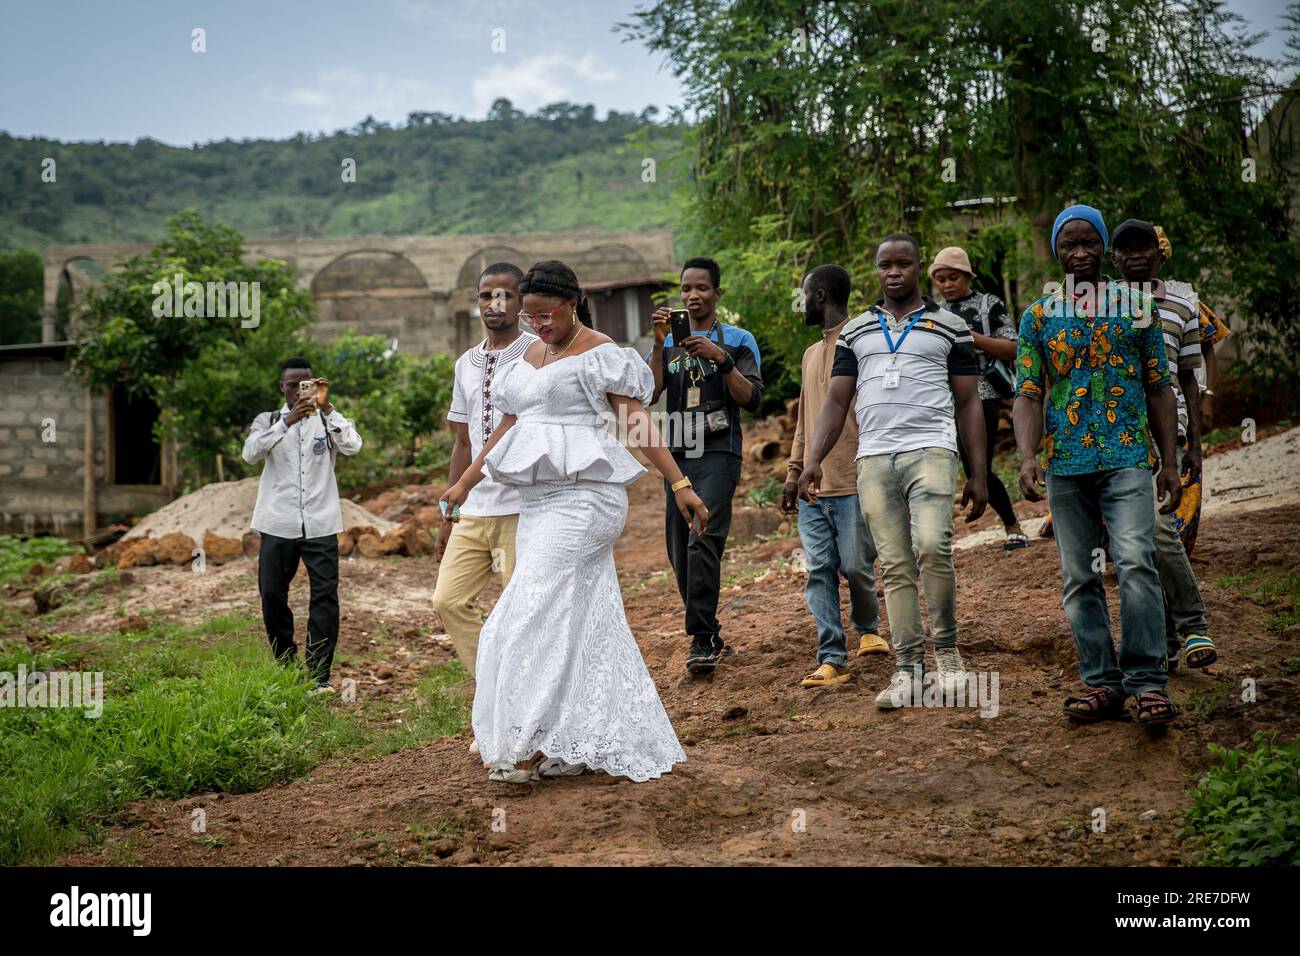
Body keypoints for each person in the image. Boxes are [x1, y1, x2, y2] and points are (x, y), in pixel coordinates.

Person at [439, 260, 707, 784]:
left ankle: (530, 741)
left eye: (545, 314)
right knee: (582, 619)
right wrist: (466, 482)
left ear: (573, 302)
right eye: (530, 316)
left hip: (588, 499)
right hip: (538, 503)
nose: (537, 325)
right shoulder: (529, 357)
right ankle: (577, 740)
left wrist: (678, 483)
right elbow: (507, 426)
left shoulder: (603, 353)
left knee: (524, 613)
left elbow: (635, 419)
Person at [798, 234, 988, 710]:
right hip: (875, 458)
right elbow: (837, 399)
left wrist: (978, 472)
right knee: (896, 566)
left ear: (918, 267)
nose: (894, 272)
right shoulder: (857, 331)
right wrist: (811, 460)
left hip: (932, 449)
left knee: (931, 546)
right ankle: (907, 669)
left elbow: (968, 402)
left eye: (903, 263)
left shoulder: (951, 326)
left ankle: (947, 654)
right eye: (886, 264)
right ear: (876, 269)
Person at [1013, 204, 1182, 727]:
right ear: (1056, 251)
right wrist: (1025, 456)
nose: (1080, 253)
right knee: (1079, 575)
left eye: (1090, 243)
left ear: (1103, 247)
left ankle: (1148, 683)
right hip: (1066, 462)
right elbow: (1028, 392)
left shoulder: (1136, 307)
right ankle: (1101, 683)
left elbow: (1159, 387)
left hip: (1128, 455)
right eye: (1070, 244)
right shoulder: (1038, 316)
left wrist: (1170, 461)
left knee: (1134, 561)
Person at [647, 257, 764, 676]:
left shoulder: (737, 339)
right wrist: (660, 345)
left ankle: (698, 640)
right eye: (685, 289)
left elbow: (751, 399)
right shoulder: (668, 341)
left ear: (718, 293)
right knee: (679, 549)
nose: (692, 296)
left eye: (701, 288)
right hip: (678, 453)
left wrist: (720, 358)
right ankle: (710, 631)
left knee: (703, 533)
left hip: (718, 451)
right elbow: (650, 391)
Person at [1110, 219, 1215, 670]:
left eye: (1143, 248)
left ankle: (1191, 627)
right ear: (1114, 258)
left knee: (1156, 533)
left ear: (1159, 253)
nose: (1135, 256)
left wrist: (1194, 443)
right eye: (1125, 249)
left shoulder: (1181, 303)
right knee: (1139, 543)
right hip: (1119, 434)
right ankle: (1171, 639)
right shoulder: (1098, 305)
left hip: (1167, 431)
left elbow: (1190, 374)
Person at [780, 265, 887, 689]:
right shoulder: (809, 354)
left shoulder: (863, 343)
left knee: (857, 564)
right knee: (818, 567)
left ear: (820, 295)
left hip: (854, 479)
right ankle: (831, 656)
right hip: (812, 486)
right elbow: (806, 422)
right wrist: (793, 472)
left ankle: (870, 628)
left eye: (804, 294)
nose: (801, 302)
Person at [433, 263, 535, 679]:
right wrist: (448, 513)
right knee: (448, 601)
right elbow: (462, 440)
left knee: (523, 609)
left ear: (522, 302)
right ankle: (496, 692)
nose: (495, 304)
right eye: (486, 295)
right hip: (474, 509)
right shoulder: (465, 364)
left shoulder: (537, 354)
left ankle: (532, 712)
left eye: (506, 295)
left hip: (520, 506)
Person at [242, 357, 363, 692]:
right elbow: (250, 453)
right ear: (281, 387)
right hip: (277, 523)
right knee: (272, 595)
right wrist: (286, 423)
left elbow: (353, 446)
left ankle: (320, 676)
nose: (299, 390)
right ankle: (286, 665)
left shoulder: (328, 421)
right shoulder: (266, 420)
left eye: (306, 383)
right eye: (293, 384)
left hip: (321, 523)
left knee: (325, 597)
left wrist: (328, 410)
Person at [929, 246, 1028, 549]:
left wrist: (971, 338)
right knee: (969, 467)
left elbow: (1013, 347)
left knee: (979, 463)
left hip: (983, 392)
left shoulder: (989, 305)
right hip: (945, 397)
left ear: (967, 275)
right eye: (941, 279)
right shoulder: (933, 312)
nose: (947, 284)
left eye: (953, 277)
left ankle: (1012, 525)